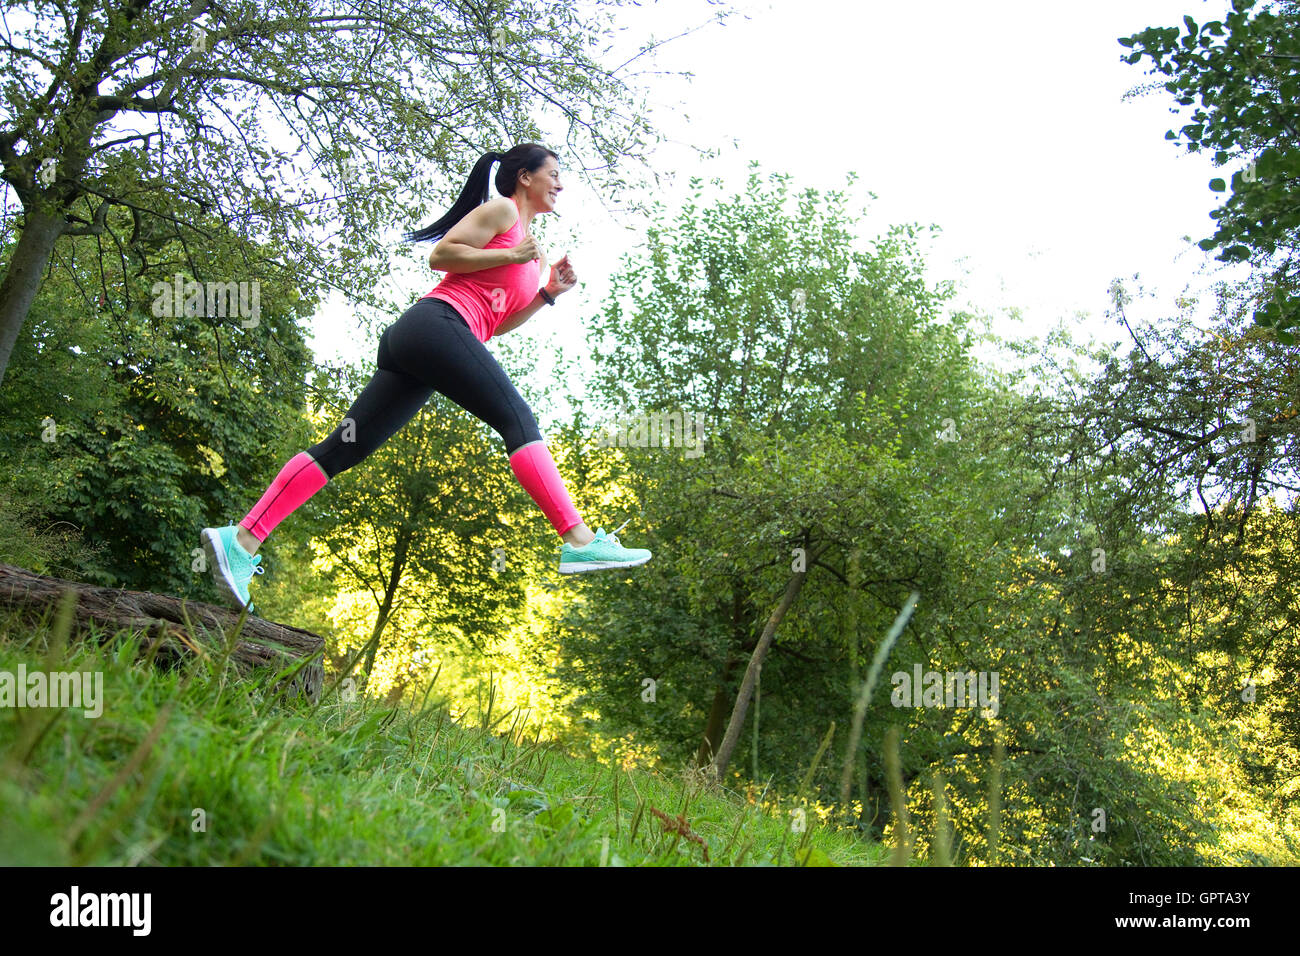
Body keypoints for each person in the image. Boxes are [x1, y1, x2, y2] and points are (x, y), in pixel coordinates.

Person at [200, 143, 650, 612]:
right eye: (553, 174)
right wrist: (510, 254)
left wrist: (546, 295)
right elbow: (442, 256)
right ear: (524, 178)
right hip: (433, 324)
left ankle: (242, 540)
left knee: (344, 447)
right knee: (518, 418)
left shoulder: (532, 255)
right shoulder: (502, 214)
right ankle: (578, 539)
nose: (560, 184)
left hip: (425, 344)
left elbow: (493, 324)